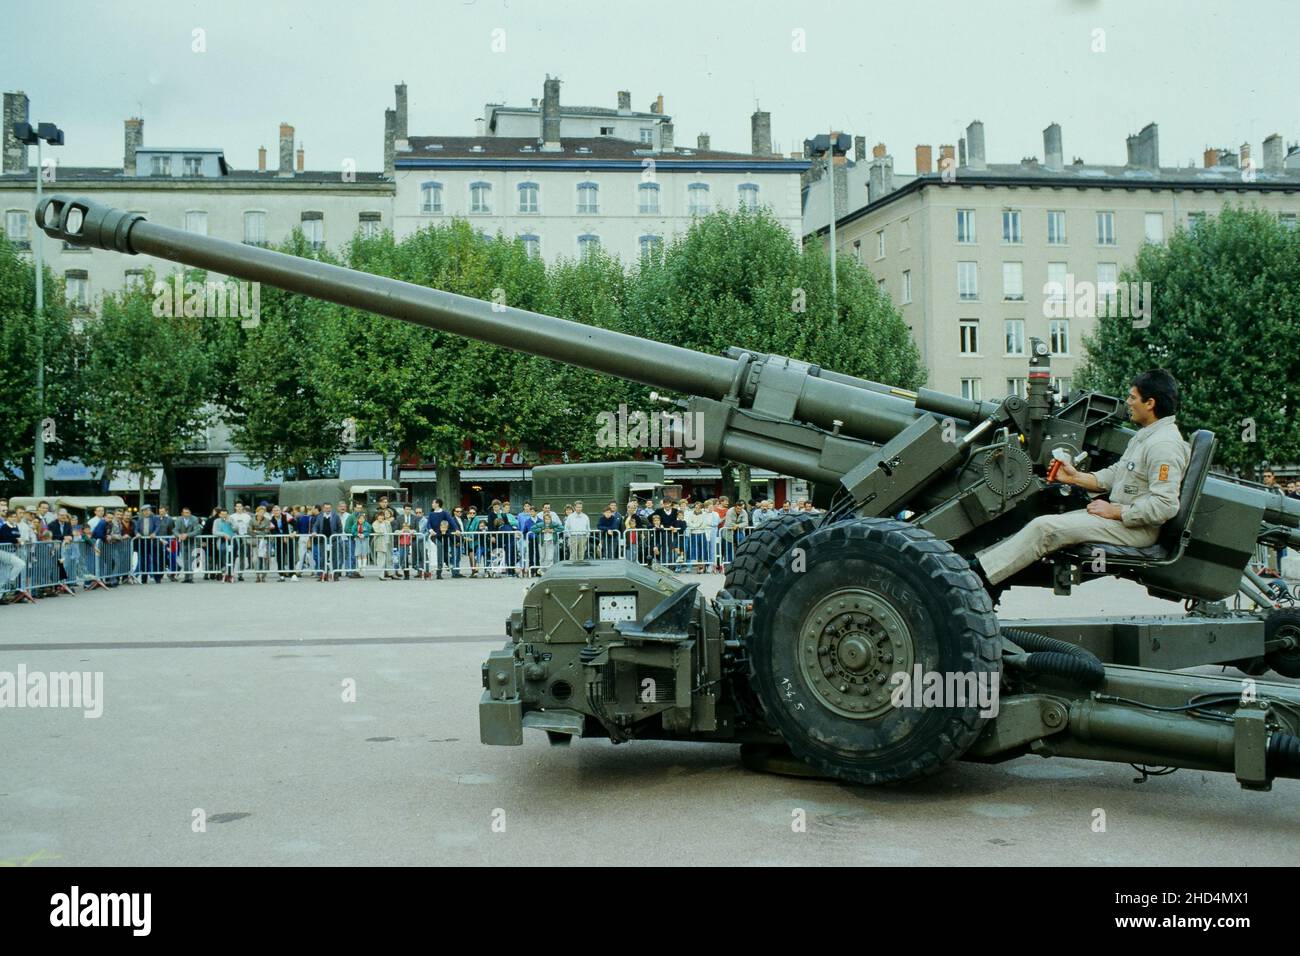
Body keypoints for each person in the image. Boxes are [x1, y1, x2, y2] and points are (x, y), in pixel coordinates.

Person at [975, 369, 1190, 588]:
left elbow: (1164, 505)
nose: (1128, 402)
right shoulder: (1147, 437)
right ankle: (980, 567)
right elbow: (1115, 474)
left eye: (1133, 397)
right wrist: (1075, 477)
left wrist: (1116, 511)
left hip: (1136, 529)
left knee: (1045, 528)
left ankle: (977, 577)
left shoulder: (1164, 445)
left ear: (1150, 403)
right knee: (1041, 522)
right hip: (1123, 522)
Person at [174, 506, 201, 583]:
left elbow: (197, 531)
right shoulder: (179, 519)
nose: (187, 514)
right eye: (185, 513)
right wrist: (179, 535)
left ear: (190, 513)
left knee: (191, 559)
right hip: (183, 542)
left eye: (188, 513)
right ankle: (186, 577)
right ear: (182, 513)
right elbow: (175, 530)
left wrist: (187, 535)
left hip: (193, 541)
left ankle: (190, 577)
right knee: (185, 560)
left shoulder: (194, 519)